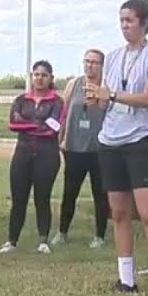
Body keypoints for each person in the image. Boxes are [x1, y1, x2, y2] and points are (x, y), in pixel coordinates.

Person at [88, 0, 148, 296]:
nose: (124, 26)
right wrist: (97, 99)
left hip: (141, 140)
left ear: (144, 23)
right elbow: (104, 100)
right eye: (121, 20)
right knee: (119, 212)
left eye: (130, 20)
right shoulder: (113, 57)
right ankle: (126, 279)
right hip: (111, 140)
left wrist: (112, 95)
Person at [0, 60, 64, 254]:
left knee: (42, 197)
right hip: (23, 152)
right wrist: (38, 124)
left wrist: (26, 123)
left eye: (44, 75)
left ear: (51, 78)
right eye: (36, 74)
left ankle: (43, 240)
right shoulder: (21, 100)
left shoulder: (57, 102)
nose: (40, 78)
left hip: (47, 153)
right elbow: (13, 124)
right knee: (18, 198)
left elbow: (52, 128)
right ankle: (12, 241)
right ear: (31, 76)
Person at [55, 49, 109, 248]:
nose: (90, 65)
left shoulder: (106, 86)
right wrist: (60, 139)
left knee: (100, 194)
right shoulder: (74, 84)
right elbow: (63, 113)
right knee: (70, 192)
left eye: (94, 62)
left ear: (102, 65)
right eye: (87, 61)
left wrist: (99, 100)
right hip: (74, 147)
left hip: (99, 149)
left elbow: (108, 111)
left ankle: (99, 236)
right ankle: (62, 232)